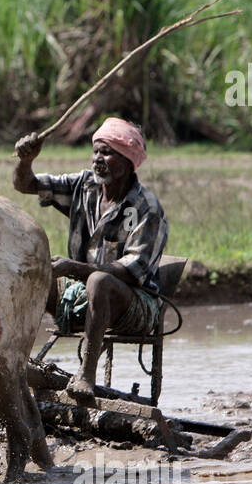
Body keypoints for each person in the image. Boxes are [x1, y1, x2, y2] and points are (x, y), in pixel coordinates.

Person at [13, 118, 169, 399]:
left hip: (134, 306)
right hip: (81, 294)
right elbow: (26, 185)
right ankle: (14, 362)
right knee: (32, 272)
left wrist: (74, 267)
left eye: (107, 152)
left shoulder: (146, 208)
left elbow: (131, 272)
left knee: (99, 281)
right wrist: (26, 160)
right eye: (96, 151)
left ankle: (86, 375)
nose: (98, 159)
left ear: (127, 163)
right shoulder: (84, 186)